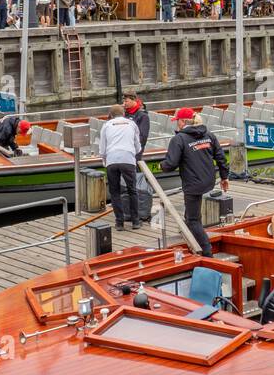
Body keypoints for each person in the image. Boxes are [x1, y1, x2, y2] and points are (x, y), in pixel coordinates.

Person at [158, 107, 229, 257]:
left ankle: (207, 251)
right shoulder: (209, 135)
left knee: (192, 219)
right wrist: (224, 177)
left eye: (177, 121)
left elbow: (170, 164)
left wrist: (161, 166)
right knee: (192, 213)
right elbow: (221, 158)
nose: (176, 124)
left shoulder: (179, 139)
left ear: (183, 122)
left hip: (193, 183)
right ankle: (191, 235)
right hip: (209, 180)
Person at [98, 104, 144, 230]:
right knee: (132, 190)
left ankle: (119, 222)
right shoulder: (131, 124)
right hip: (128, 159)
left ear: (111, 115)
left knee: (115, 192)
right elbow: (137, 145)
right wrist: (132, 153)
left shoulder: (106, 125)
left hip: (112, 160)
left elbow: (102, 147)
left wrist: (104, 159)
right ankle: (135, 221)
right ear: (123, 114)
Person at [123, 91, 150, 155]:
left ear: (133, 100)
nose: (124, 104)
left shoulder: (143, 116)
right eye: (123, 102)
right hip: (125, 149)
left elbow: (143, 137)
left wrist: (130, 145)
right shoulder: (125, 113)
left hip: (135, 151)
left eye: (126, 101)